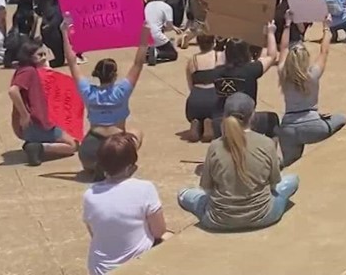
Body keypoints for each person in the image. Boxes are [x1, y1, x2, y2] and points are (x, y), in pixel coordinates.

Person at [178, 93, 300, 231]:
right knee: (292, 180)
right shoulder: (266, 143)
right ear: (253, 115)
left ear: (225, 116)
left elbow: (207, 188)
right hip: (265, 215)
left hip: (218, 220)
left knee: (184, 194)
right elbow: (274, 183)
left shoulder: (215, 146)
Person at [64, 17, 148, 179]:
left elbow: (72, 62)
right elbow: (138, 63)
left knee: (90, 162)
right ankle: (116, 166)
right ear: (115, 75)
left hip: (89, 149)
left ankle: (95, 166)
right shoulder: (121, 91)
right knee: (137, 133)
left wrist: (64, 34)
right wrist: (144, 35)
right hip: (115, 146)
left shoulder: (87, 91)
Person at [82, 133, 170, 275]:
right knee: (169, 238)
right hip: (134, 267)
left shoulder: (90, 195)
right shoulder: (145, 188)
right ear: (130, 166)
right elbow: (159, 231)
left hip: (100, 269)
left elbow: (94, 232)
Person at [276, 16, 346, 166]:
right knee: (342, 118)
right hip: (313, 126)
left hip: (288, 128)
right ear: (306, 58)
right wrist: (326, 26)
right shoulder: (313, 74)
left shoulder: (283, 73)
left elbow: (282, 48)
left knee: (289, 163)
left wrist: (288, 25)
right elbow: (324, 51)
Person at [9, 42, 79, 165]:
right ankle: (39, 147)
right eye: (39, 55)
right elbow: (13, 91)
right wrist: (25, 115)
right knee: (71, 146)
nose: (44, 58)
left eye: (45, 54)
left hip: (35, 122)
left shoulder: (27, 70)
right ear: (29, 57)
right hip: (35, 123)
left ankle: (34, 143)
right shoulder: (28, 71)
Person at [184, 35, 221, 143]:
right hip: (213, 97)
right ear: (213, 42)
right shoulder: (218, 56)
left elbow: (190, 85)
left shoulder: (192, 61)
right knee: (219, 112)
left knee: (196, 111)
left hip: (195, 99)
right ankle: (209, 122)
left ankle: (196, 122)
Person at [144, 0, 179, 65]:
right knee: (173, 54)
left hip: (144, 34)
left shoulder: (148, 5)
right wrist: (168, 28)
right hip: (155, 34)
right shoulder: (166, 7)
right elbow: (169, 27)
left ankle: (150, 51)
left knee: (159, 38)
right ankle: (157, 53)